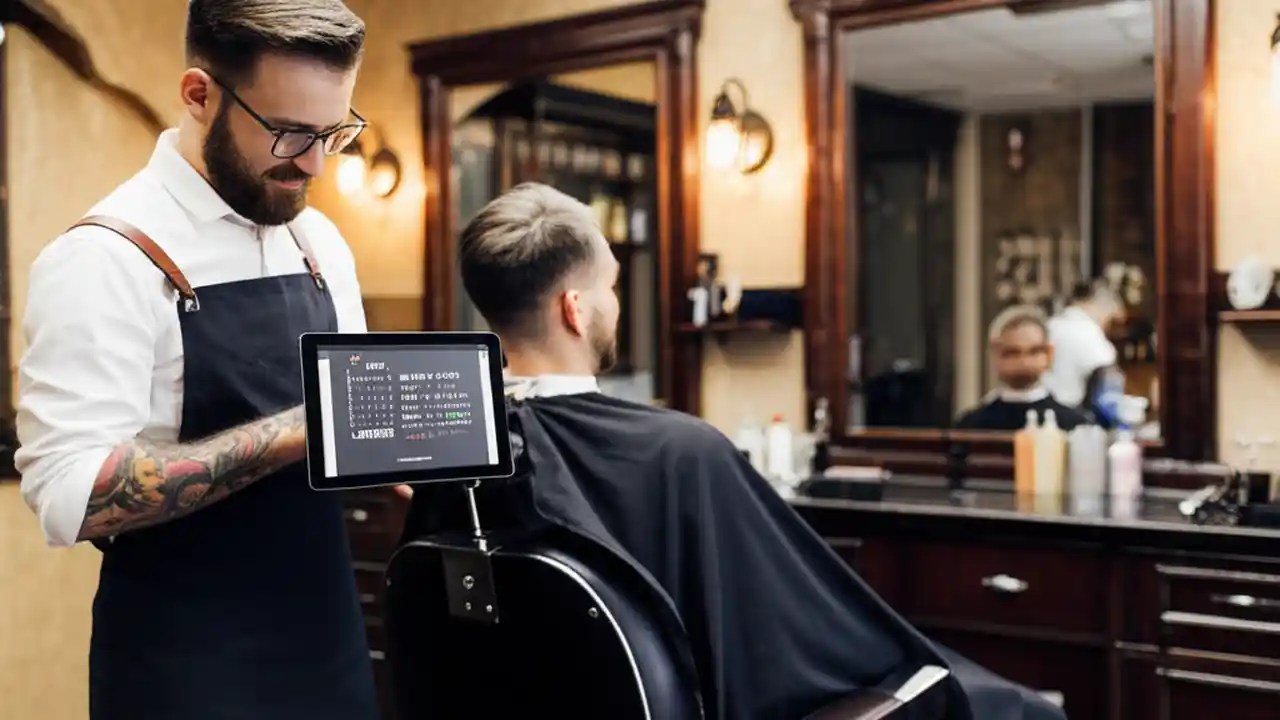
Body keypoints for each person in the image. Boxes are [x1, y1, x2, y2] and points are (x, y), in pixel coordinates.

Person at [401, 183, 1064, 720]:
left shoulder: (454, 456)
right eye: (611, 288)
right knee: (1009, 706)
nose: (614, 305)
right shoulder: (680, 453)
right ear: (575, 308)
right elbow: (802, 654)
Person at [14, 2, 379, 718]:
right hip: (185, 663)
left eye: (332, 133)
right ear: (199, 95)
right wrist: (296, 433)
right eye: (289, 133)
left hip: (328, 637)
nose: (313, 163)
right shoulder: (103, 257)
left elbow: (352, 420)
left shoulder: (320, 243)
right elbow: (68, 493)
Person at [955, 305, 1090, 431]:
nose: (1024, 362)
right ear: (995, 355)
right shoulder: (970, 427)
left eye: (1034, 351)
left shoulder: (1075, 426)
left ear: (1049, 355)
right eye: (1013, 353)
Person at [1042, 281, 1123, 410]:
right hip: (1071, 410)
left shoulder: (1050, 325)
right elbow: (1107, 367)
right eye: (1109, 319)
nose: (1107, 325)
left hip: (1041, 406)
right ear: (1102, 308)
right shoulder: (1090, 332)